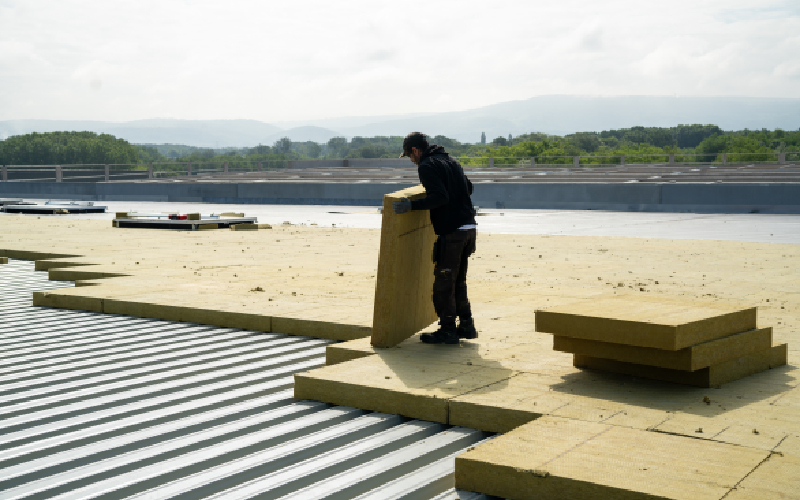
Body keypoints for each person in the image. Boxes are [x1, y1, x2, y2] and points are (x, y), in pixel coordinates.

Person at [392, 132, 478, 344]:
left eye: (410, 156)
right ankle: (467, 325)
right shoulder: (450, 160)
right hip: (469, 229)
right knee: (458, 280)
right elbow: (469, 187)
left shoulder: (427, 166)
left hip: (453, 232)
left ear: (415, 150)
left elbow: (439, 197)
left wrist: (411, 206)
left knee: (443, 283)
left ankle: (448, 329)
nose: (411, 161)